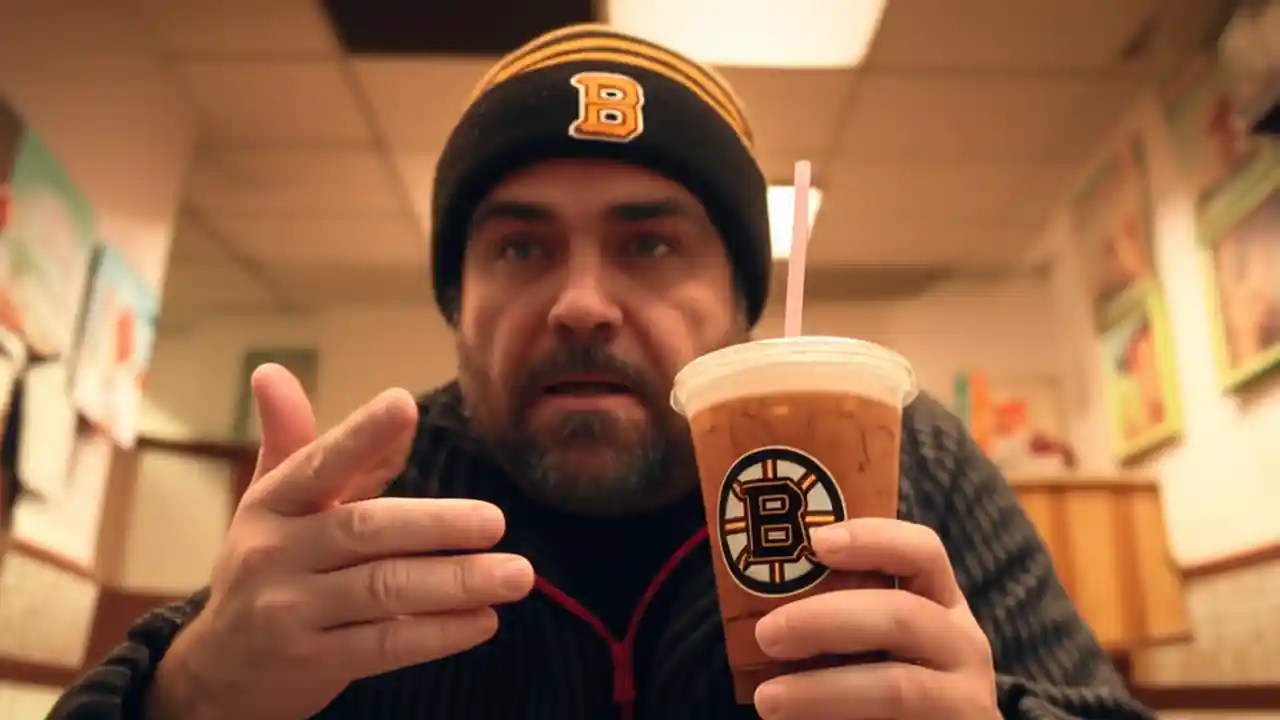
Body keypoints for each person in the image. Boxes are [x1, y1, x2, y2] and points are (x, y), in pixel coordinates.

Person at [49, 23, 1154, 720]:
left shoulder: (910, 468)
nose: (579, 302)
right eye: (520, 246)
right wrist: (188, 698)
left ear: (740, 309)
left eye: (650, 241)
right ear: (457, 304)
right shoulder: (364, 503)